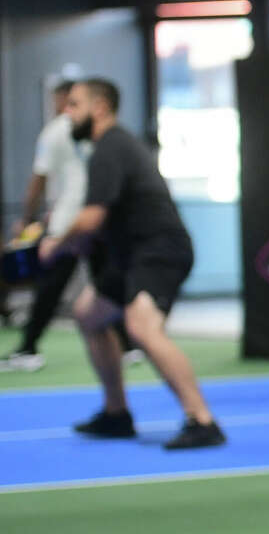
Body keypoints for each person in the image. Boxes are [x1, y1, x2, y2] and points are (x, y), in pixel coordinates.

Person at [39, 78, 225, 450]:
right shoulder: (105, 148)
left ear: (100, 107)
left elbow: (90, 218)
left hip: (160, 250)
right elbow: (100, 222)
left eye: (74, 105)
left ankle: (202, 420)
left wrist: (55, 244)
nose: (66, 113)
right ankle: (117, 413)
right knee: (88, 314)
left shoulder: (110, 147)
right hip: (130, 254)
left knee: (141, 326)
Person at [2, 80, 138, 372]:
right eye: (68, 104)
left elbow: (39, 179)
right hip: (86, 218)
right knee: (100, 286)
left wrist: (29, 220)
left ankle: (28, 347)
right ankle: (128, 346)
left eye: (73, 104)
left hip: (81, 221)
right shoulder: (85, 135)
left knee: (63, 284)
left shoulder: (96, 137)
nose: (66, 110)